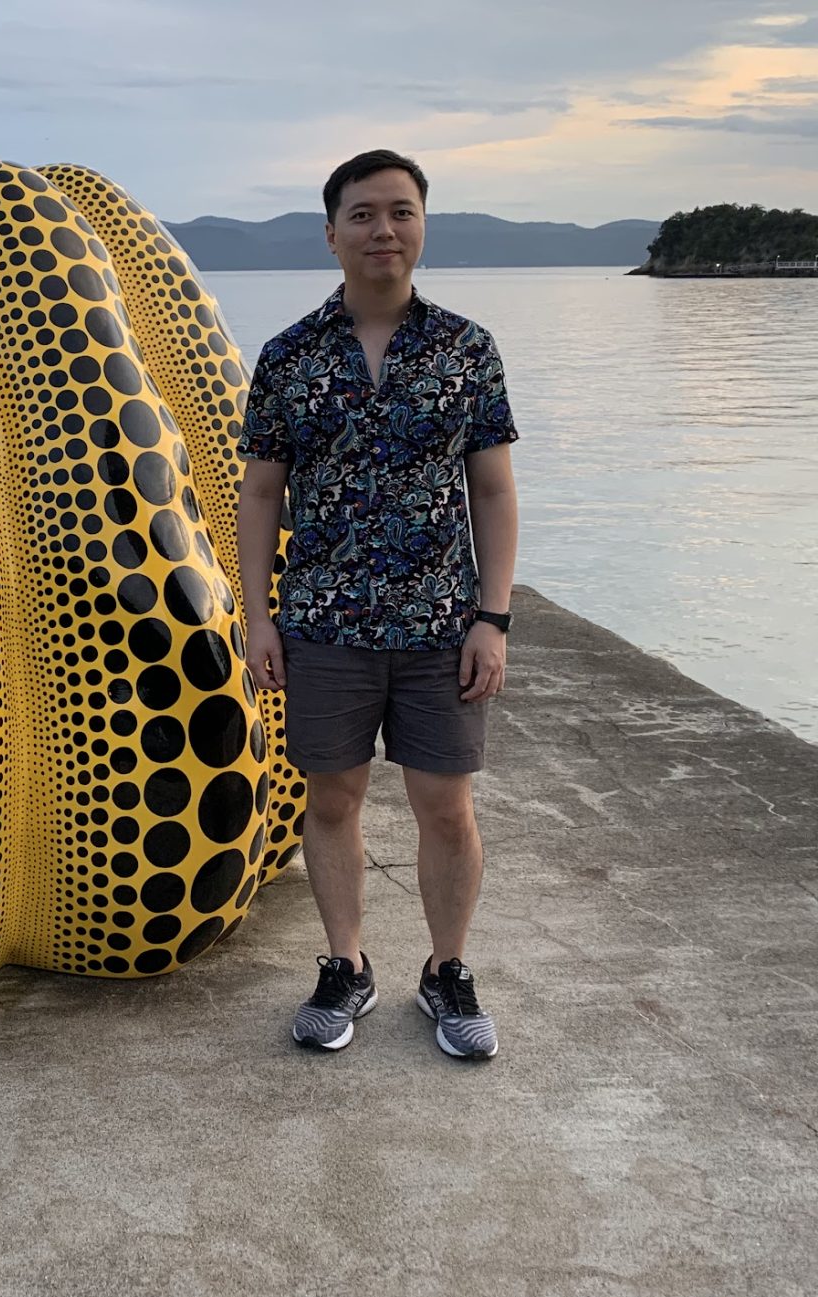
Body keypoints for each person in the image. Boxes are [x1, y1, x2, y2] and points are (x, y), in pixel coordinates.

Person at [236, 148, 519, 1058]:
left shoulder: (467, 350)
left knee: (447, 806)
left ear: (423, 226)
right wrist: (257, 616)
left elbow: (493, 491)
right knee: (332, 799)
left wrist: (493, 618)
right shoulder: (288, 357)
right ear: (332, 234)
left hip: (442, 624)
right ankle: (346, 964)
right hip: (323, 625)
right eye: (362, 214)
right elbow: (261, 494)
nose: (382, 229)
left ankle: (447, 971)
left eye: (400, 211)